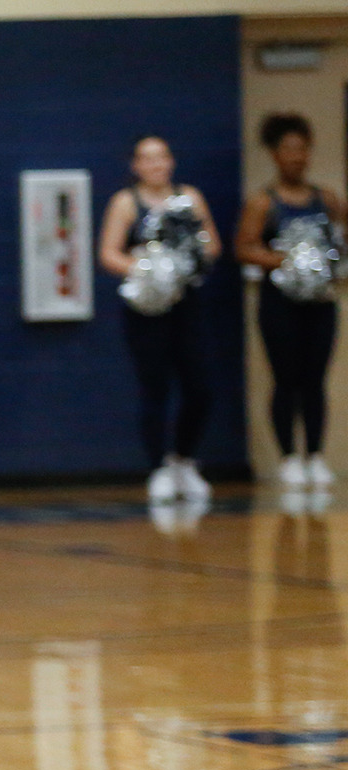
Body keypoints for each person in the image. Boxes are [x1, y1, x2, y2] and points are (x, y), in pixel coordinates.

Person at [97, 135, 221, 504]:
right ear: (135, 165)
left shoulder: (190, 197)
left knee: (200, 387)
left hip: (186, 303)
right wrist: (149, 269)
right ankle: (158, 468)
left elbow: (212, 244)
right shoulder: (125, 202)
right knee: (155, 387)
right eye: (147, 159)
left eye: (162, 157)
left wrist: (184, 263)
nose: (156, 165)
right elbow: (108, 253)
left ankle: (184, 459)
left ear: (171, 161)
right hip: (146, 308)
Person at [237, 112, 348, 490]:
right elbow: (244, 248)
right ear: (274, 154)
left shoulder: (326, 198)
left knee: (315, 379)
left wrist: (329, 263)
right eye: (289, 149)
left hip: (320, 301)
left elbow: (341, 241)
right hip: (280, 302)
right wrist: (289, 261)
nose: (297, 157)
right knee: (286, 379)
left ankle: (314, 455)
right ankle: (288, 458)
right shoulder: (263, 202)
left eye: (303, 149)